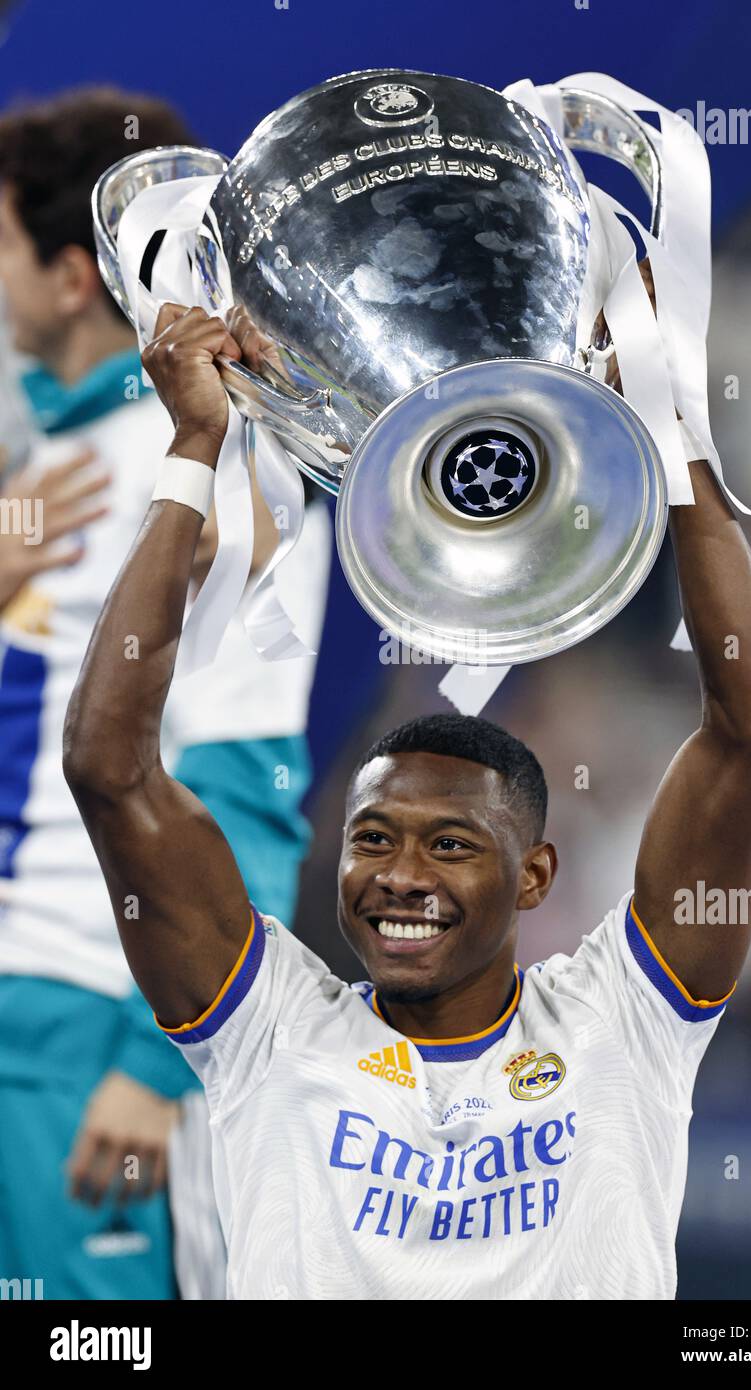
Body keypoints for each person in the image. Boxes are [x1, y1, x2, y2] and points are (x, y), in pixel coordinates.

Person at [63, 294, 751, 1300]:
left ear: (534, 873)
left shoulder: (620, 1018)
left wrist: (669, 437)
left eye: (451, 845)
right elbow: (110, 770)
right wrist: (195, 448)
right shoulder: (269, 1026)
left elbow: (749, 727)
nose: (399, 875)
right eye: (373, 838)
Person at [0, 87, 330, 1299]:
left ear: (75, 274)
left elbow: (246, 786)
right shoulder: (41, 466)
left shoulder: (227, 467)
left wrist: (160, 1057)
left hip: (98, 1018)